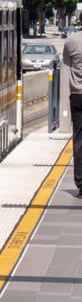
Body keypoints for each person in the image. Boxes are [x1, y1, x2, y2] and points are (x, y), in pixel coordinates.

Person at [63, 21, 82, 196]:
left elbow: (67, 62)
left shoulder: (70, 41)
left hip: (78, 95)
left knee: (78, 139)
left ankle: (81, 183)